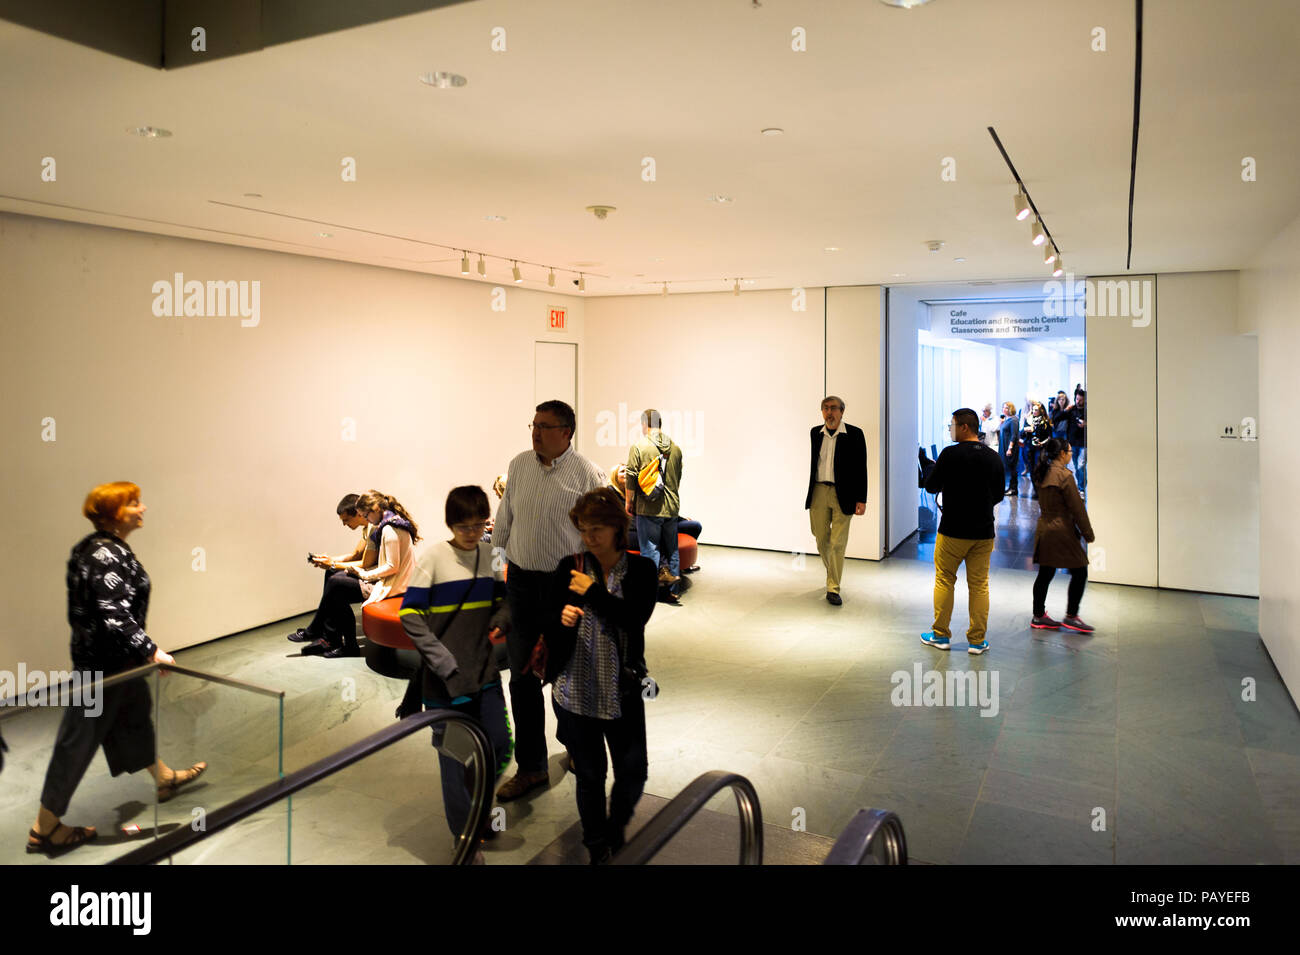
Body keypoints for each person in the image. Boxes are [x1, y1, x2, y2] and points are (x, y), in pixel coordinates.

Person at [28, 482, 207, 856]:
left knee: (134, 716)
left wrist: (138, 654)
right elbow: (113, 613)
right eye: (134, 503)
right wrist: (151, 650)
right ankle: (45, 829)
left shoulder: (92, 547)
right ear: (114, 512)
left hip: (113, 662)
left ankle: (164, 778)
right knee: (77, 742)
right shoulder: (107, 554)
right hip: (103, 668)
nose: (143, 508)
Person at [492, 399, 606, 802]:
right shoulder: (520, 465)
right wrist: (497, 577)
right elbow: (503, 523)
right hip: (522, 586)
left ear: (566, 432)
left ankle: (576, 745)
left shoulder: (588, 474)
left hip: (565, 587)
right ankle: (532, 768)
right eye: (534, 425)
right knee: (522, 679)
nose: (536, 433)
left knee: (567, 675)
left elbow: (601, 534)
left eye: (545, 426)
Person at [400, 486, 513, 859]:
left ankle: (476, 806)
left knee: (498, 745)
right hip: (444, 682)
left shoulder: (491, 554)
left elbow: (503, 601)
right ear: (450, 524)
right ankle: (465, 835)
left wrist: (501, 619)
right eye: (464, 526)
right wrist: (442, 659)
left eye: (479, 525)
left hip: (484, 674)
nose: (472, 533)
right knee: (453, 759)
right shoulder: (433, 558)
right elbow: (410, 615)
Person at [548, 488, 656, 864]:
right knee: (590, 776)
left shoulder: (641, 571)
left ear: (616, 528)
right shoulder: (571, 566)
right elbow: (549, 618)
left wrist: (593, 592)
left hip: (622, 689)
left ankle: (614, 830)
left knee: (634, 771)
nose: (589, 537)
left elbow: (634, 619)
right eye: (583, 529)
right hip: (575, 690)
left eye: (597, 528)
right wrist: (560, 618)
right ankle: (597, 847)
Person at [920, 410, 1006, 654]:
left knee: (945, 580)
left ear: (965, 427)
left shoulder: (949, 454)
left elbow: (931, 486)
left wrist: (931, 468)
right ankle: (977, 640)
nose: (951, 429)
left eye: (953, 425)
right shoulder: (993, 457)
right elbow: (999, 494)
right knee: (979, 585)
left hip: (952, 530)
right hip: (983, 531)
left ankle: (940, 635)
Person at [301, 490, 419, 658]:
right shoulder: (389, 524)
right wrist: (332, 562)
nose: (367, 521)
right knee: (334, 580)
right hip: (391, 580)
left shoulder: (389, 529)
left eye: (365, 516)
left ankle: (327, 635)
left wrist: (364, 575)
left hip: (395, 585)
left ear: (375, 509)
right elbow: (358, 555)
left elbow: (391, 567)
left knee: (336, 584)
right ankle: (332, 638)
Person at [804, 395, 868, 605]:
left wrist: (861, 499)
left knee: (838, 542)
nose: (829, 412)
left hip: (845, 494)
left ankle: (833, 587)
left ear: (842, 411)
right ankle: (833, 571)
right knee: (821, 538)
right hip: (818, 490)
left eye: (833, 408)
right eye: (825, 408)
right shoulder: (815, 433)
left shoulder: (855, 434)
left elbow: (861, 468)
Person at [288, 493, 373, 644]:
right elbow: (356, 554)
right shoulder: (367, 528)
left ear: (359, 514)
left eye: (346, 520)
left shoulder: (374, 529)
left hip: (375, 578)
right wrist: (329, 560)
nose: (344, 524)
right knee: (332, 576)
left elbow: (365, 563)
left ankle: (318, 631)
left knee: (335, 584)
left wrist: (332, 564)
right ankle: (328, 635)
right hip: (369, 573)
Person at [1030, 438, 1096, 632]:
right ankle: (1071, 616)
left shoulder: (1041, 472)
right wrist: (1087, 533)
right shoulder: (1065, 476)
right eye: (1069, 451)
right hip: (1062, 530)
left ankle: (1038, 615)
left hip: (1044, 528)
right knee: (1080, 571)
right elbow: (1077, 509)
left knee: (1045, 573)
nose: (1071, 454)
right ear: (1061, 454)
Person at [625, 409, 686, 604]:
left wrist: (629, 501)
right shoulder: (676, 449)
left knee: (650, 551)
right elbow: (678, 478)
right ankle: (672, 592)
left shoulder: (639, 447)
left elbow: (631, 476)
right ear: (660, 424)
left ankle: (650, 593)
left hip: (648, 507)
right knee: (672, 550)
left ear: (644, 424)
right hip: (672, 507)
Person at [1023, 402, 1052, 499]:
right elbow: (1022, 434)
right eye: (1033, 409)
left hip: (1040, 448)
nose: (1034, 411)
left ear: (1041, 411)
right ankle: (1036, 490)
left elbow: (1049, 437)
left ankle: (1042, 489)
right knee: (1031, 470)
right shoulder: (1028, 420)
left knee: (1039, 468)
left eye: (1036, 410)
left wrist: (1042, 443)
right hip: (1029, 447)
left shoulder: (1045, 422)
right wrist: (1026, 430)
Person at [998, 402, 1021, 496]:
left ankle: (1014, 489)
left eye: (1007, 408)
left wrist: (1010, 448)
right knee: (1008, 467)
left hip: (1010, 447)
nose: (1004, 409)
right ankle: (1010, 487)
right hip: (1004, 446)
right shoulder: (1006, 419)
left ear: (1011, 409)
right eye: (1003, 407)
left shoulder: (1014, 420)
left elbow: (1014, 435)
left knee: (1012, 467)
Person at [1067, 389, 1087, 492]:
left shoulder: (1087, 410)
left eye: (1080, 400)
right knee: (1075, 465)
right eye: (1077, 399)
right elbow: (1058, 417)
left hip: (1084, 442)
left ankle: (1081, 488)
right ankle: (1082, 482)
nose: (1078, 401)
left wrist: (1086, 424)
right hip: (1073, 441)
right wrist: (1066, 410)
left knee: (1081, 465)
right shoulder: (1071, 410)